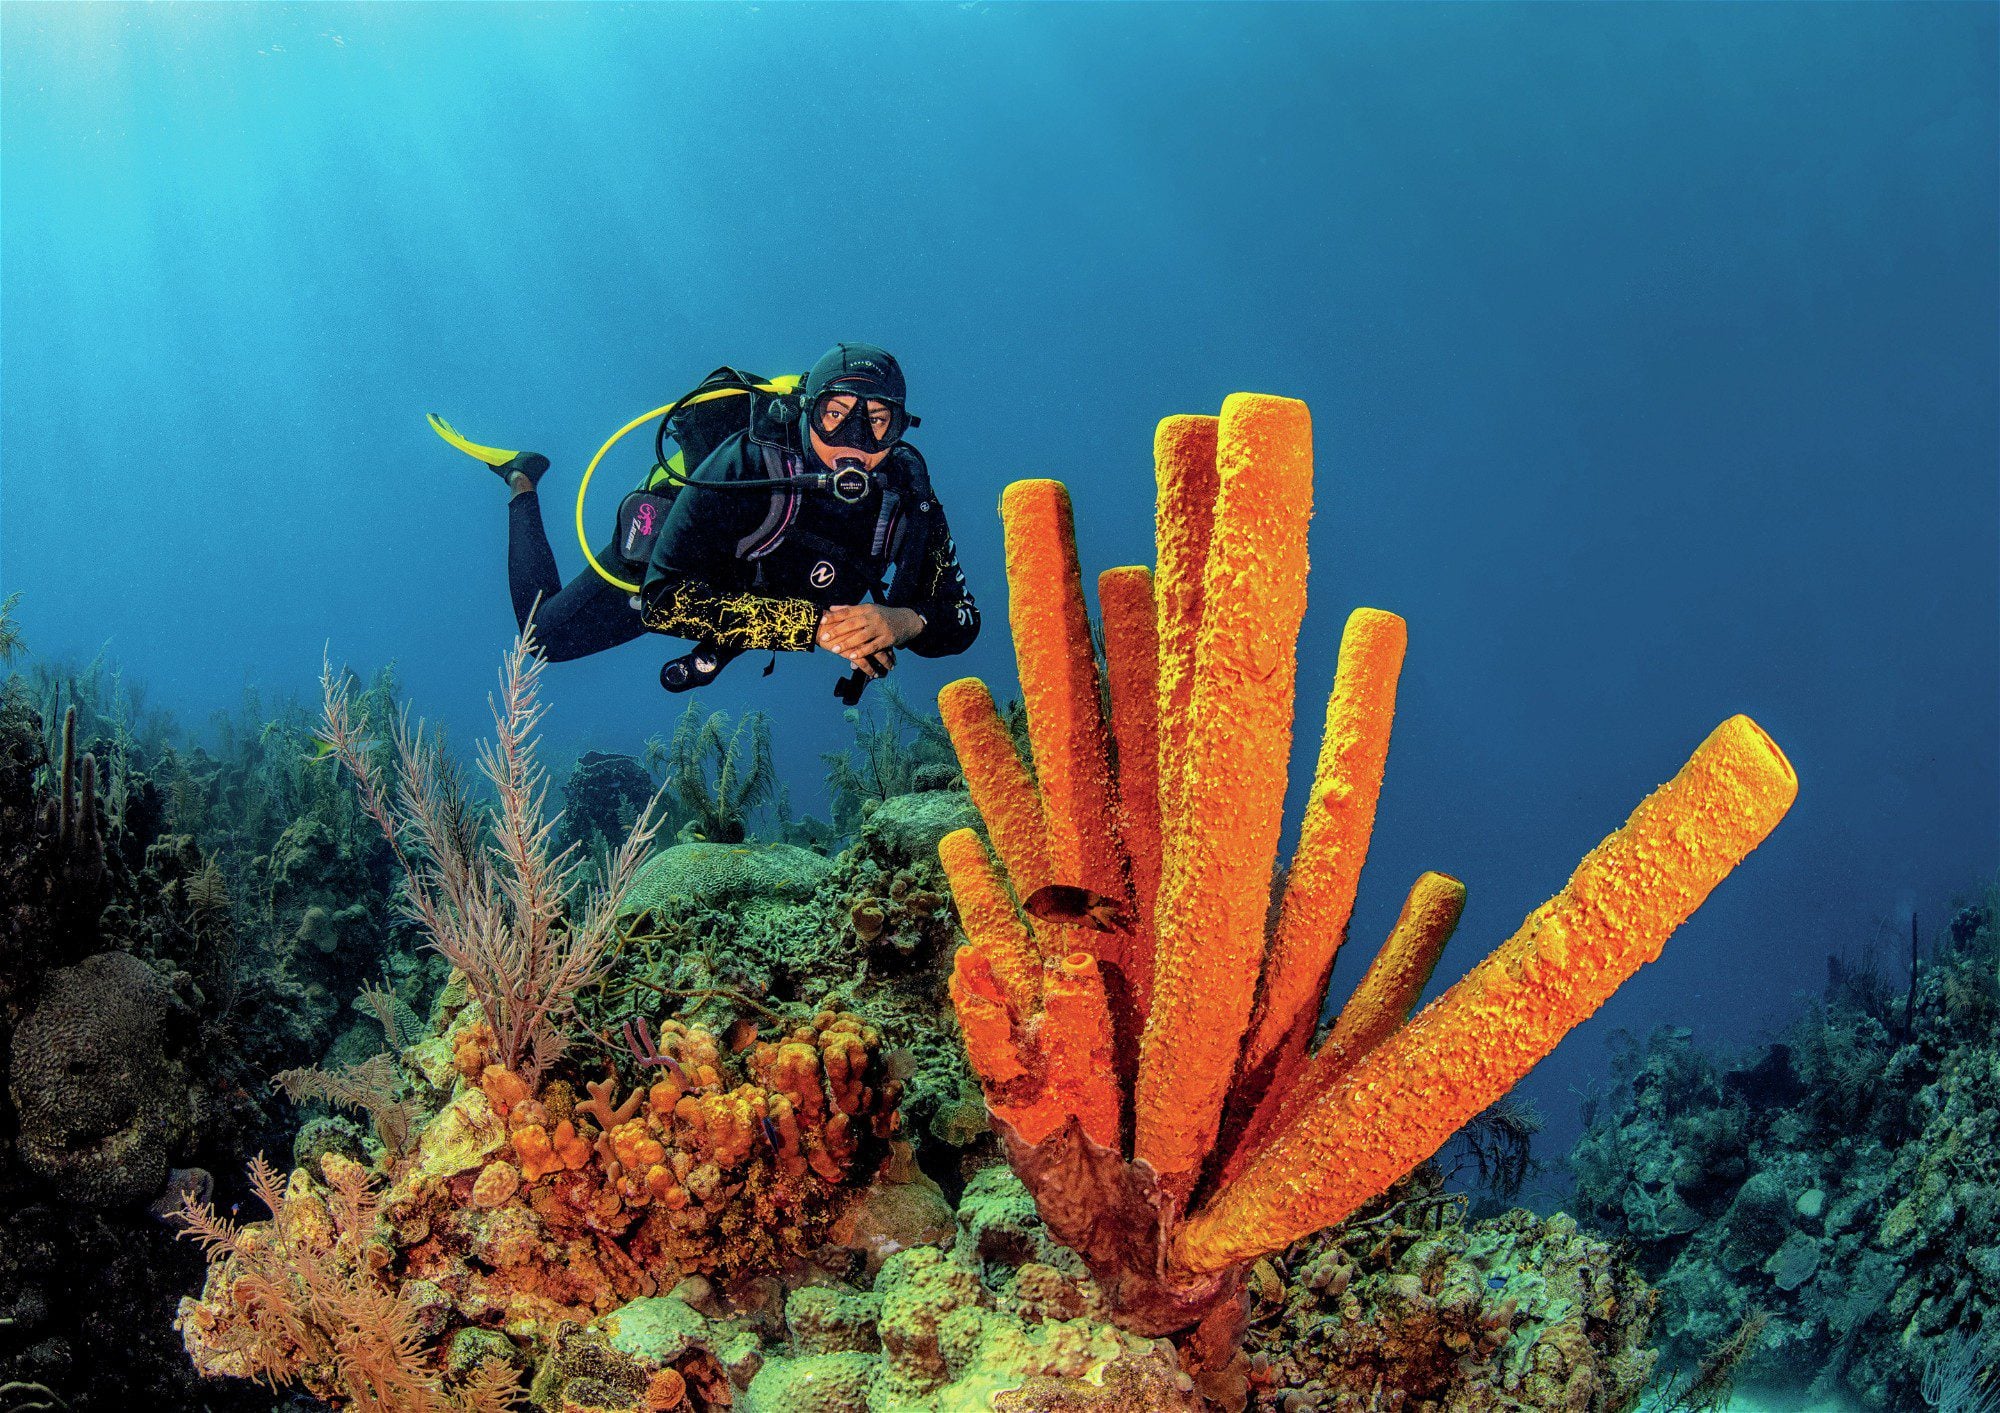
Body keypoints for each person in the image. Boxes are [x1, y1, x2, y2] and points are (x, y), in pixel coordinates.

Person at [471, 343, 980, 697]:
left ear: (899, 425)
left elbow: (962, 619)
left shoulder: (906, 491)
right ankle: (522, 479)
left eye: (877, 419)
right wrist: (816, 628)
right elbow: (662, 602)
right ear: (808, 410)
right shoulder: (747, 462)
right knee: (542, 642)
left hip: (768, 598)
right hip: (681, 567)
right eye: (835, 413)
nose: (855, 437)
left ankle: (722, 649)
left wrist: (905, 621)